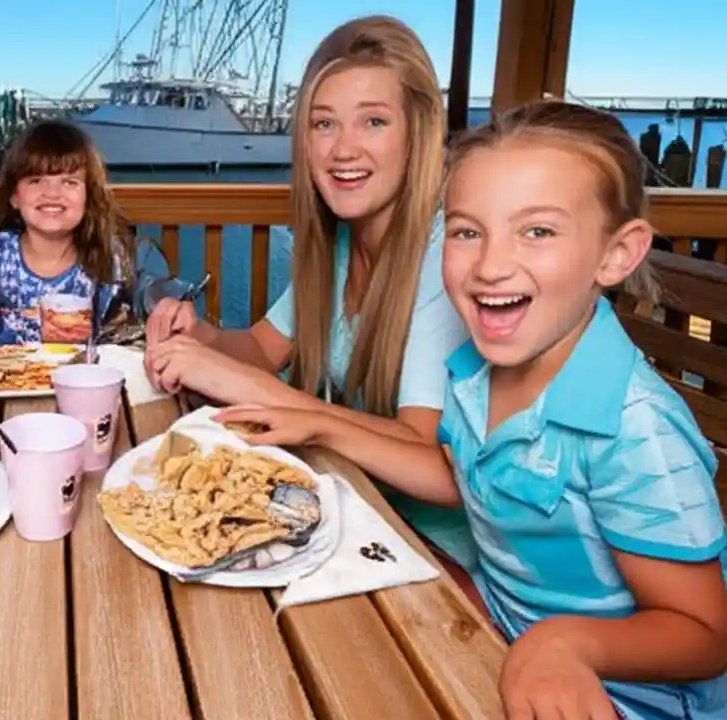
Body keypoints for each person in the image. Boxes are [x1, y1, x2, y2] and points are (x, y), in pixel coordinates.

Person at [226, 100, 727, 719]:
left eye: (537, 231)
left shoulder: (634, 429)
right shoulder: (474, 373)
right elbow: (461, 477)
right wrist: (326, 424)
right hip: (492, 633)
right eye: (467, 231)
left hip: (617, 695)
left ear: (616, 254)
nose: (491, 265)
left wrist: (564, 642)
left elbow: (704, 635)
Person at [145, 16, 476, 574]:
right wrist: (198, 335)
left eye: (373, 121)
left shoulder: (445, 259)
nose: (342, 148)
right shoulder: (340, 241)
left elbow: (421, 448)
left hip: (430, 555)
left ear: (417, 134)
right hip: (348, 510)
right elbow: (260, 348)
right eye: (324, 124)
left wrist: (254, 390)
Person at [0, 120, 134, 348]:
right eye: (35, 180)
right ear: (14, 196)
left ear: (88, 197)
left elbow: (126, 337)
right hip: (1, 382)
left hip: (83, 381)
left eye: (69, 182)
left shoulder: (109, 257)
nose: (52, 193)